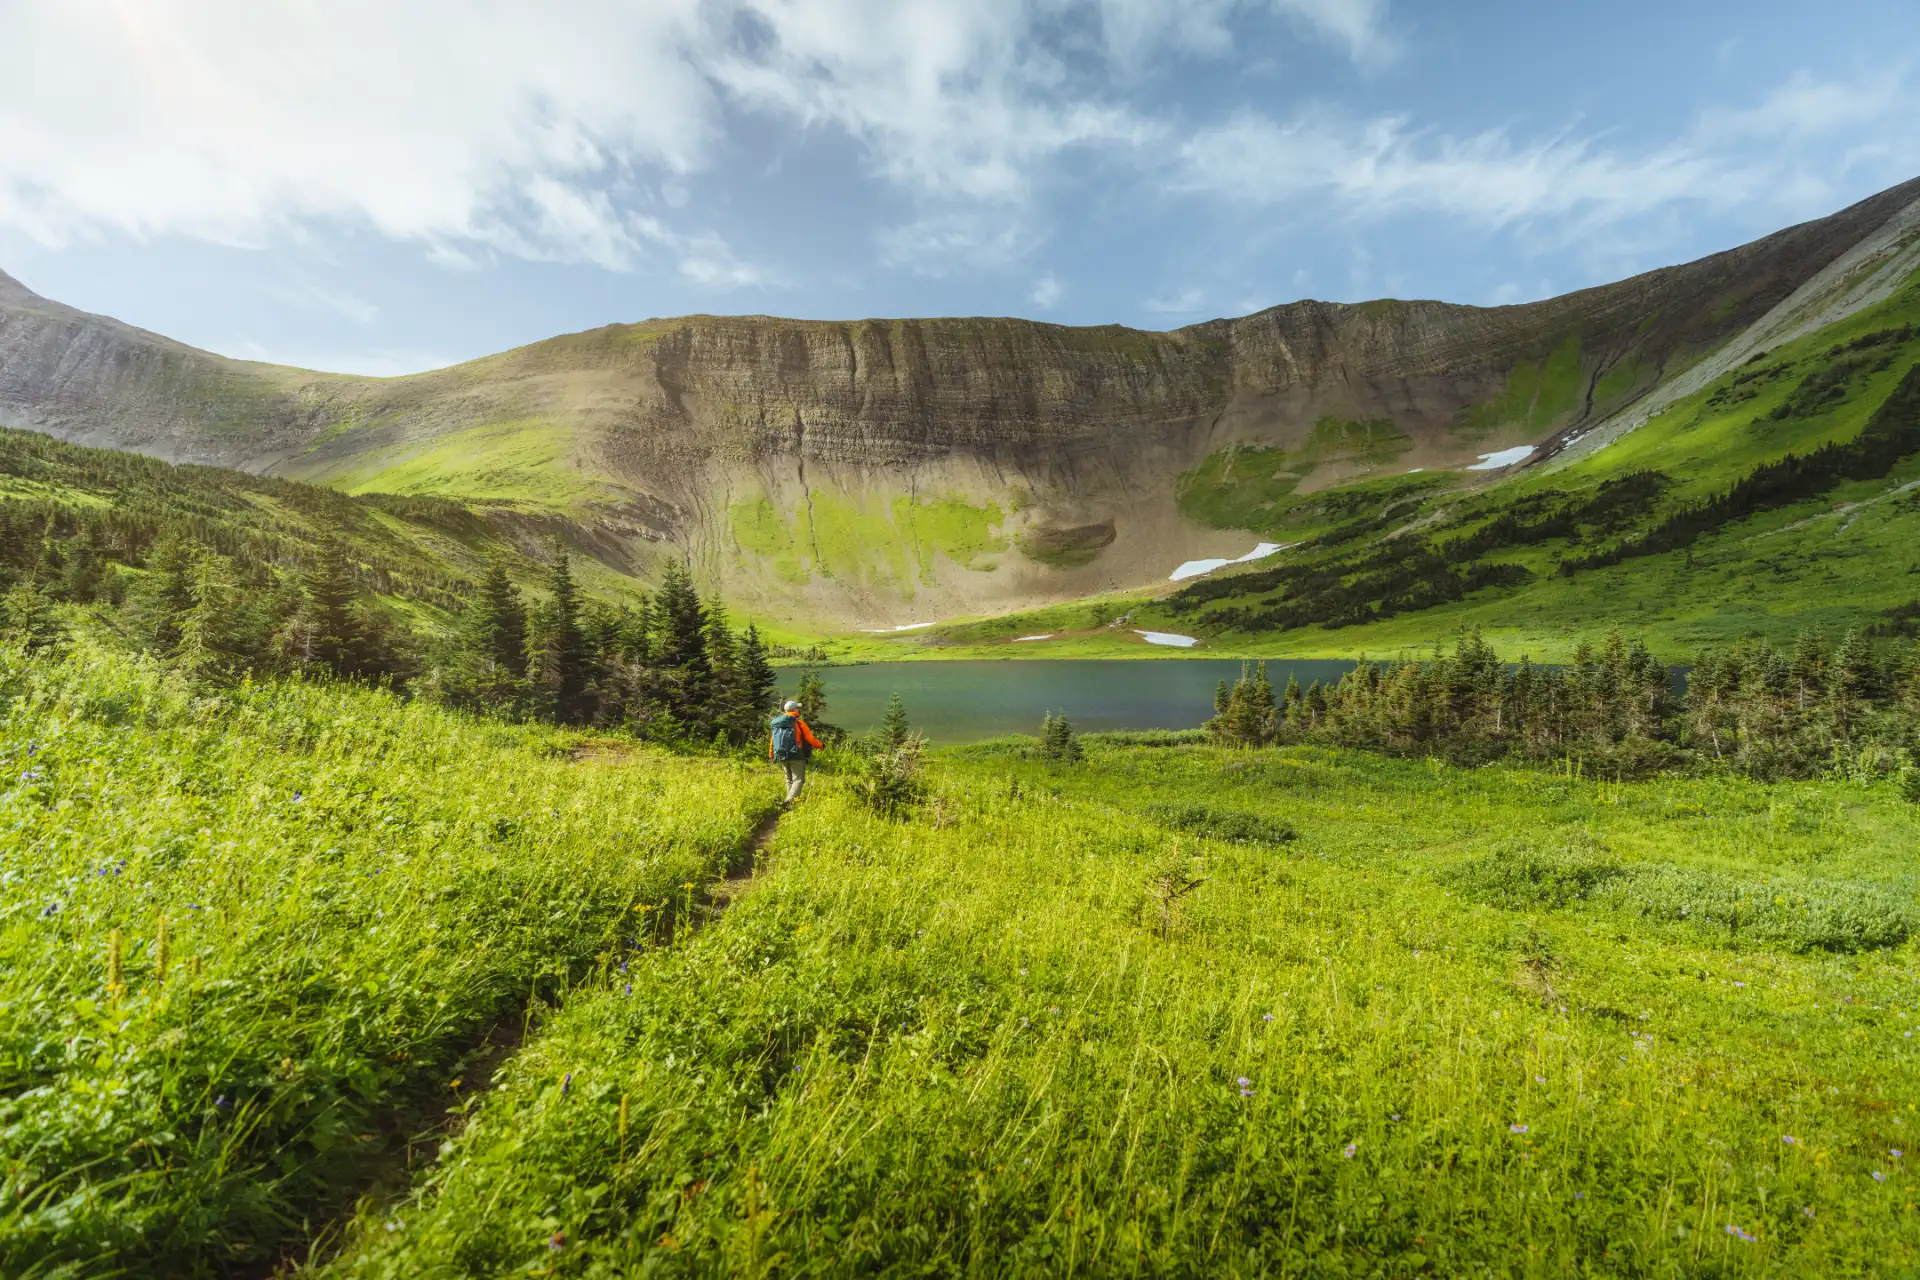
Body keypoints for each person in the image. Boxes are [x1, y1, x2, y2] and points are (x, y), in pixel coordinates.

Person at [769, 699, 823, 803]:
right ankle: (789, 802)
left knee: (789, 779)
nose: (799, 710)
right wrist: (821, 745)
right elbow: (810, 739)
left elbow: (772, 740)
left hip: (780, 754)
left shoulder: (778, 723)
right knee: (798, 779)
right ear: (794, 710)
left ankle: (788, 803)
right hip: (796, 754)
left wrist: (771, 753)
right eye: (798, 708)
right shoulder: (798, 723)